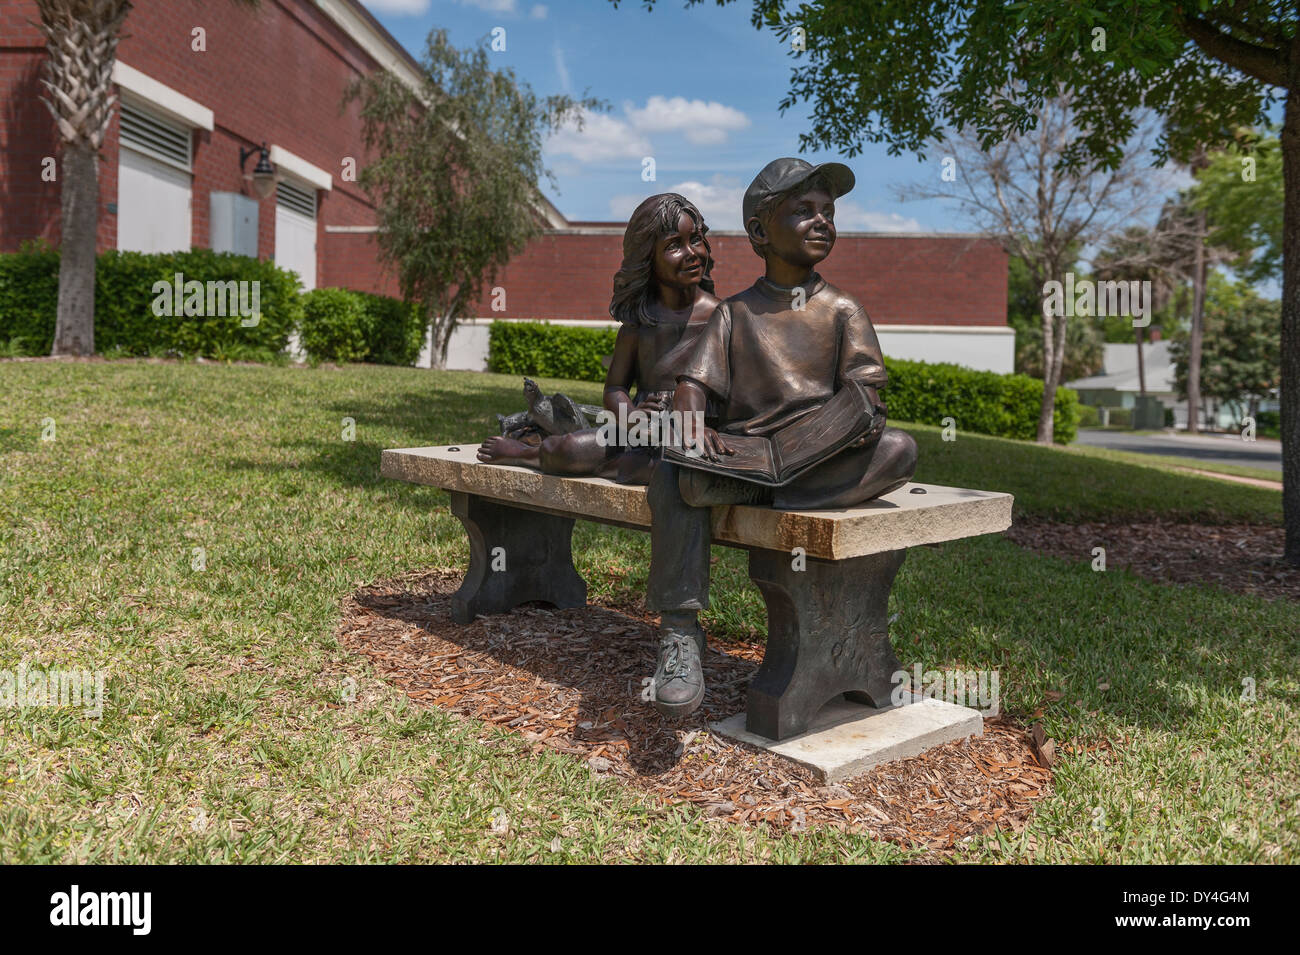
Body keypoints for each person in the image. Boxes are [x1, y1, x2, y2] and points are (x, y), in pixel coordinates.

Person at [647, 158, 919, 717]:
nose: (821, 221)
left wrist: (853, 419)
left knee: (899, 451)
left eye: (828, 211)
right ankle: (678, 633)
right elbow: (693, 384)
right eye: (803, 211)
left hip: (818, 458)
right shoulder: (735, 313)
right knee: (673, 472)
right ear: (758, 233)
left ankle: (772, 492)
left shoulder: (843, 309)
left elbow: (866, 391)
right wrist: (693, 418)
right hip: (745, 457)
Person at [478, 193, 719, 485]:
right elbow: (615, 387)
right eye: (673, 246)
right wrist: (630, 417)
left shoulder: (723, 317)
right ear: (648, 259)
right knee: (568, 448)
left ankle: (626, 466)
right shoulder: (639, 322)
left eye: (695, 239)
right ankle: (526, 453)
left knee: (680, 468)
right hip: (639, 430)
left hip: (698, 431)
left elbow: (738, 391)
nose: (691, 253)